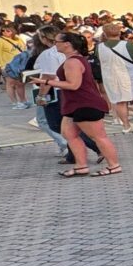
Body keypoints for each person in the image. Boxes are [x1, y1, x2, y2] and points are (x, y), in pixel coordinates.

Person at [40, 32, 121, 177]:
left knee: (99, 136)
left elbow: (73, 85)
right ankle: (81, 166)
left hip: (85, 103)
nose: (54, 44)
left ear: (67, 44)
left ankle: (114, 165)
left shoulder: (73, 62)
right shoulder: (73, 59)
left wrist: (46, 82)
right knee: (68, 134)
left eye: (57, 41)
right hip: (74, 104)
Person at [96, 21, 133, 133]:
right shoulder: (128, 45)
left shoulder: (99, 48)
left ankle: (126, 126)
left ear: (104, 34)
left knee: (120, 102)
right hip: (132, 76)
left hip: (112, 77)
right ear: (119, 32)